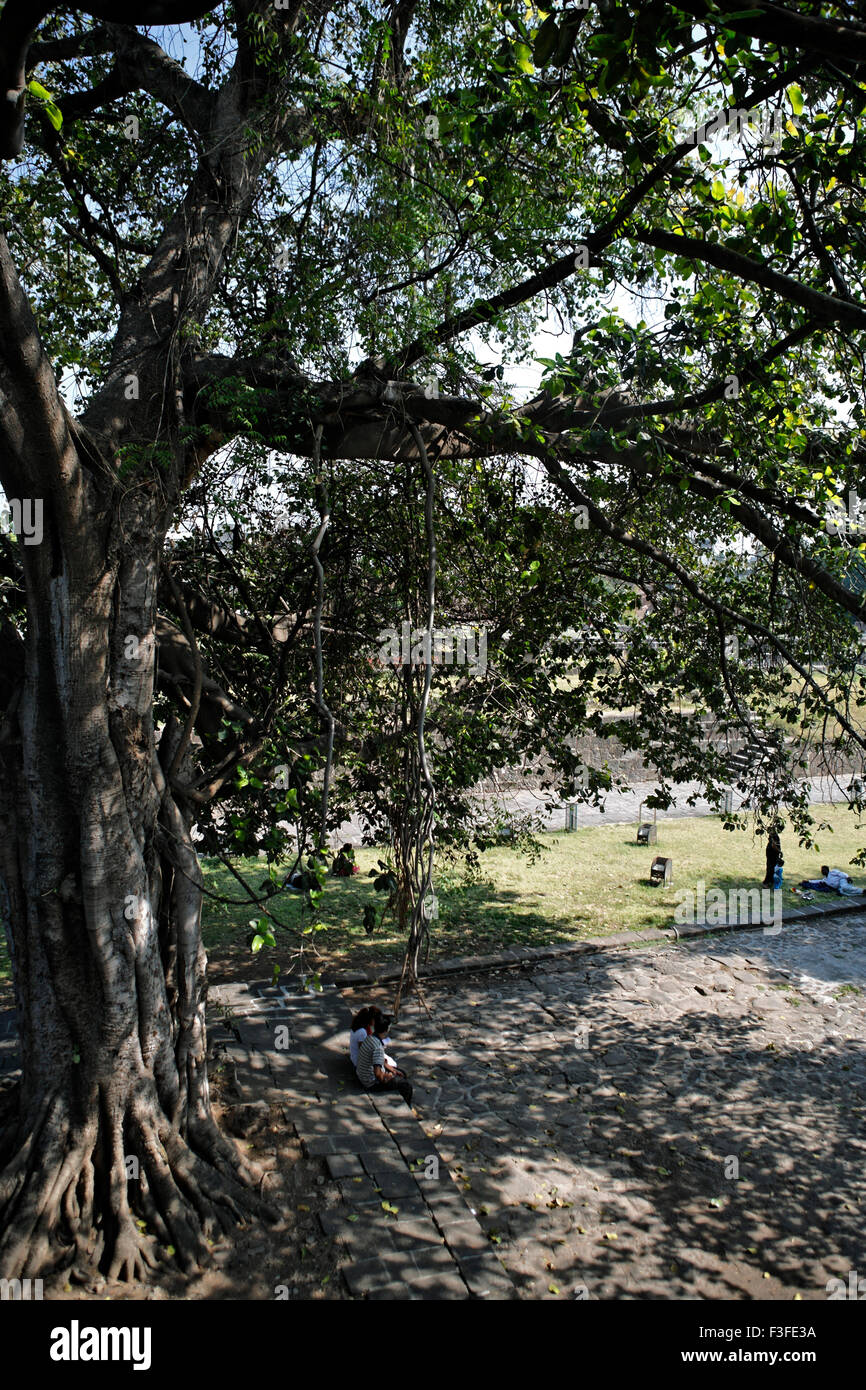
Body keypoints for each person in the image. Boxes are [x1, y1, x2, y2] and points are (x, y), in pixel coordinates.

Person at [355, 1013, 413, 1105]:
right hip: (371, 1083)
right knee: (406, 1086)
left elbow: (377, 1059)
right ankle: (408, 1106)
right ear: (386, 1030)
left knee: (402, 1073)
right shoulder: (377, 1047)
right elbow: (378, 1074)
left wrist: (390, 1068)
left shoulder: (370, 1038)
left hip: (362, 1075)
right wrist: (387, 1077)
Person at [349, 1005, 402, 1073]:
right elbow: (364, 1051)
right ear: (371, 1019)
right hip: (358, 1061)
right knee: (392, 1064)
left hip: (355, 1056)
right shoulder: (362, 1032)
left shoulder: (357, 1025)